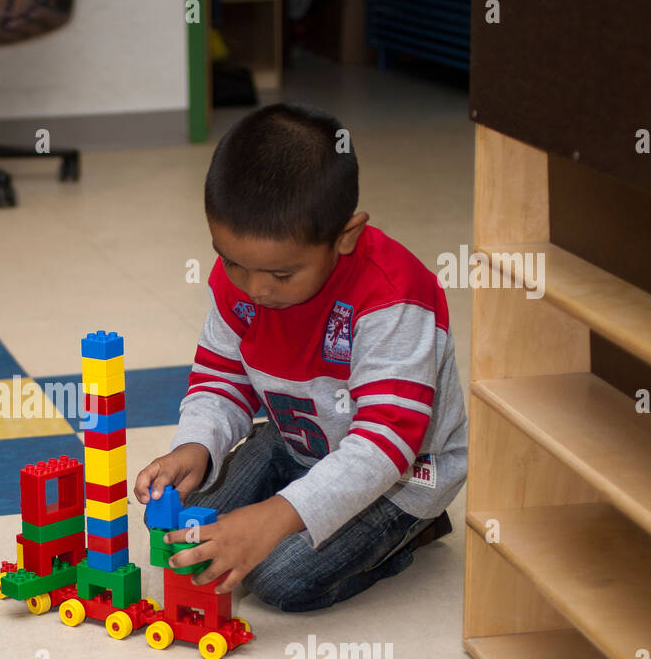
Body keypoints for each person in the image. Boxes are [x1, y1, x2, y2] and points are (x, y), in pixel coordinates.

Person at [134, 103, 466, 612]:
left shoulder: (392, 299)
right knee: (193, 528)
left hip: (396, 477)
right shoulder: (242, 280)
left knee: (278, 580)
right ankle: (287, 496)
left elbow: (386, 444)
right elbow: (220, 381)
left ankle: (412, 532)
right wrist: (195, 446)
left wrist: (277, 516)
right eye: (233, 262)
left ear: (346, 236)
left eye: (282, 275)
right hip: (297, 439)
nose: (255, 288)